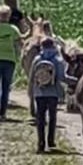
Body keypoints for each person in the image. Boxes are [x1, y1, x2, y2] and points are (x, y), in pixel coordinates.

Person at [28, 25, 66, 153]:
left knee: (40, 117)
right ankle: (51, 141)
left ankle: (40, 143)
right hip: (53, 92)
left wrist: (31, 91)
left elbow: (32, 76)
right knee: (52, 117)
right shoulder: (58, 60)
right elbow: (62, 77)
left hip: (39, 92)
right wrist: (76, 81)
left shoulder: (37, 59)